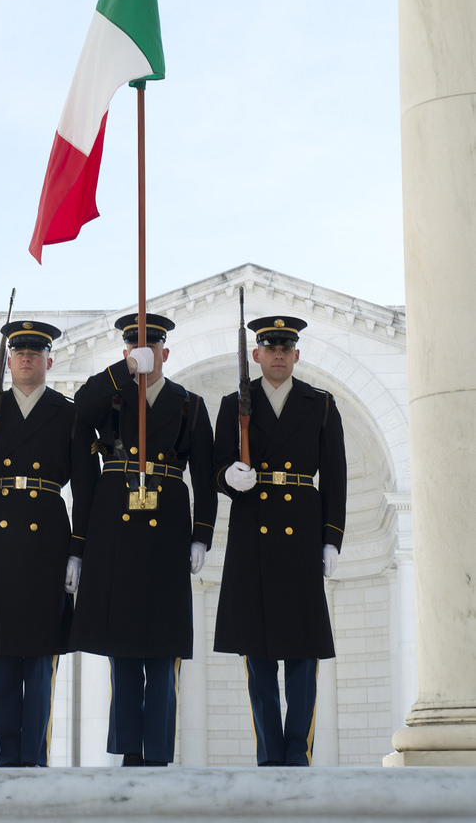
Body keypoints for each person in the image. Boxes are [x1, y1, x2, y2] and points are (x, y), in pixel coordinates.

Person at [68, 312, 217, 766]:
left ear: (166, 353)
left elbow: (206, 477)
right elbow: (77, 410)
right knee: (123, 653)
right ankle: (131, 750)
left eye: (151, 348)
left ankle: (158, 754)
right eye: (135, 348)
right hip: (116, 530)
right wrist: (124, 372)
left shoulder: (189, 403)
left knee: (163, 654)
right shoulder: (111, 399)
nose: (145, 353)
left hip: (168, 531)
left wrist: (201, 537)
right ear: (127, 352)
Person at [0, 319, 98, 768]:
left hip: (47, 540)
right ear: (10, 360)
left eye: (34, 353)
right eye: (19, 352)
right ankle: (6, 758)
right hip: (0, 537)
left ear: (48, 361)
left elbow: (87, 489)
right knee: (1, 655)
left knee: (40, 655)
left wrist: (78, 549)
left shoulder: (70, 413)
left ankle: (34, 757)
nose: (25, 358)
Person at [213, 315, 347, 767]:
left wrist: (331, 539)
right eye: (269, 347)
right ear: (255, 354)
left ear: (295, 355)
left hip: (301, 531)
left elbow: (336, 478)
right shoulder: (234, 404)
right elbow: (217, 464)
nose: (276, 354)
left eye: (285, 347)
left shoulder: (321, 404)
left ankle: (297, 752)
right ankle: (269, 753)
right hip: (253, 529)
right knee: (258, 654)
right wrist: (229, 476)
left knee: (303, 651)